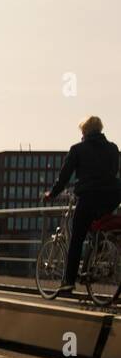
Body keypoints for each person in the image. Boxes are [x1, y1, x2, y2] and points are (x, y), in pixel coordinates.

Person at [44, 116, 121, 294]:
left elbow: (64, 177)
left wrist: (52, 194)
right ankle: (99, 250)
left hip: (89, 196)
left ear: (84, 132)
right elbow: (113, 171)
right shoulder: (113, 148)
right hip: (113, 195)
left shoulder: (78, 149)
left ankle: (69, 282)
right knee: (99, 225)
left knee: (77, 237)